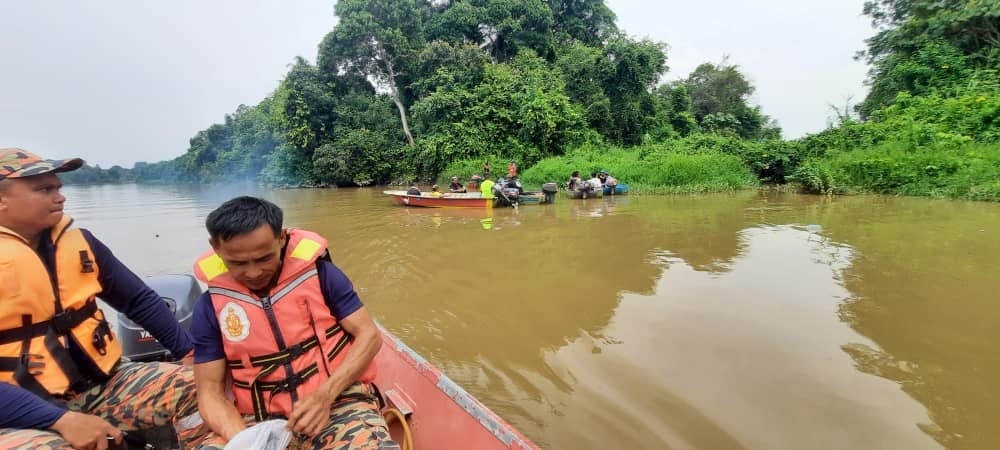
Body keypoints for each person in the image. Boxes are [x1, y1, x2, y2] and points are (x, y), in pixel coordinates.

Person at [0, 148, 209, 450]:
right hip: (17, 409)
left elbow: (138, 300)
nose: (60, 197)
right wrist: (60, 421)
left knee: (209, 389)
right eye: (44, 189)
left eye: (58, 187)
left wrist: (191, 354)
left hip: (102, 383)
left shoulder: (81, 243)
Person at [189, 196, 393, 449]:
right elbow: (210, 392)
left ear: (282, 238)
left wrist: (324, 396)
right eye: (238, 263)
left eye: (264, 259)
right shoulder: (210, 306)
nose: (253, 273)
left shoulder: (322, 275)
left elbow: (369, 336)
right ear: (216, 248)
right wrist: (250, 441)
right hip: (257, 420)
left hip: (338, 400)